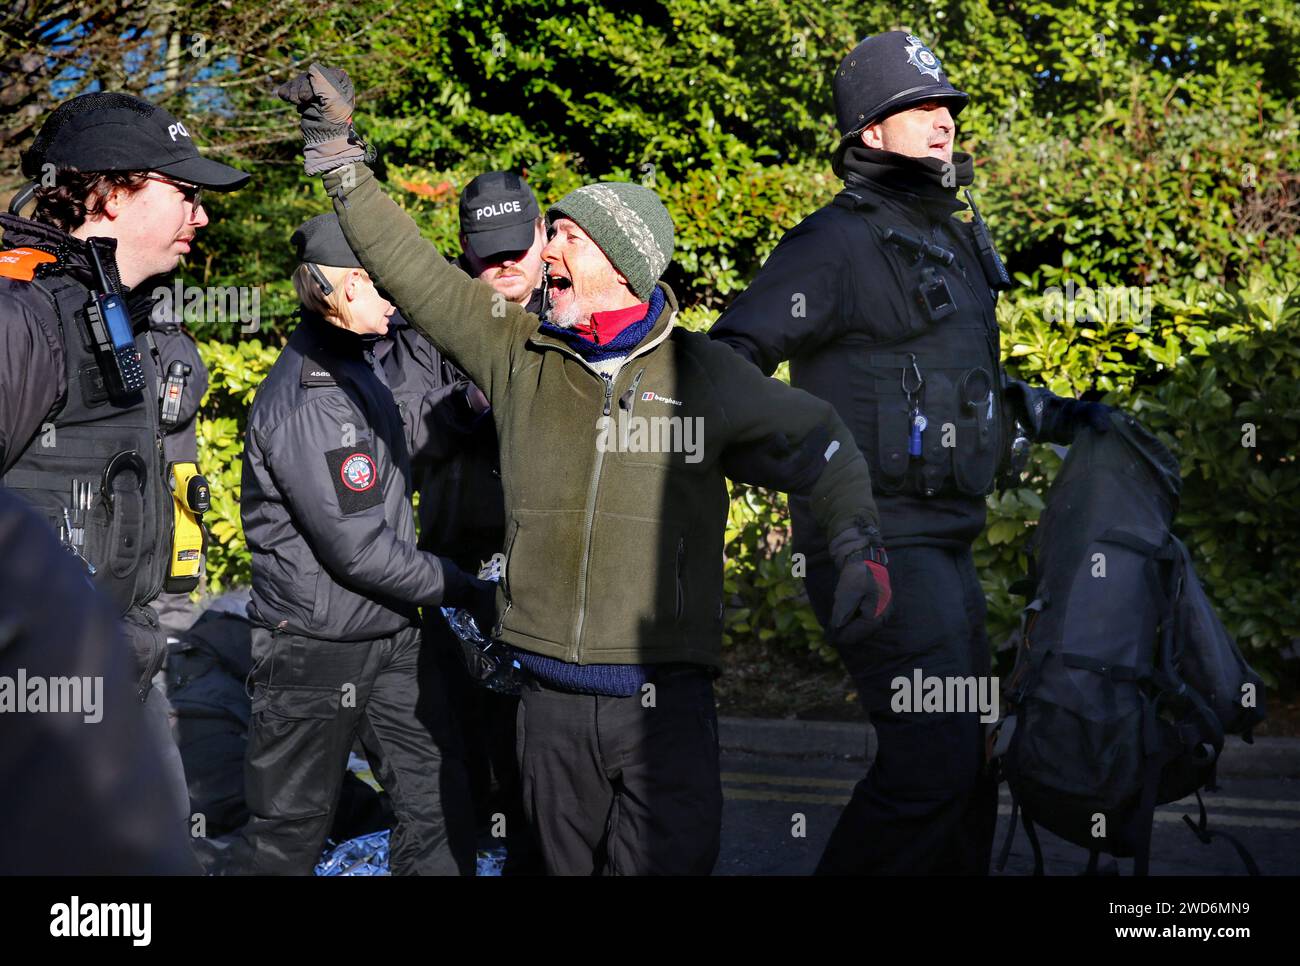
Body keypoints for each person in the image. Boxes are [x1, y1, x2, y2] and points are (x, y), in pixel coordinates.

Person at [279, 65, 893, 875]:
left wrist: (860, 547)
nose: (545, 253)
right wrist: (337, 156)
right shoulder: (514, 351)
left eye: (566, 236)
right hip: (546, 705)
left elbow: (826, 445)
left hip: (663, 705)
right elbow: (409, 267)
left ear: (621, 262)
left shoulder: (702, 374)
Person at [709, 30, 1111, 875]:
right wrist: (816, 467)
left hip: (947, 548)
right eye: (917, 107)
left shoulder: (950, 238)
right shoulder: (836, 244)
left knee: (971, 767)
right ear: (867, 131)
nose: (943, 120)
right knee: (932, 765)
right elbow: (724, 369)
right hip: (879, 549)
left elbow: (957, 388)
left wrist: (1063, 416)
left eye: (947, 106)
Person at [199, 213, 488, 876]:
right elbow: (359, 550)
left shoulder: (353, 365)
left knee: (437, 805)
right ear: (347, 286)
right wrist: (470, 590)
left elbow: (393, 442)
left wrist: (465, 408)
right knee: (288, 836)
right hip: (314, 652)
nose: (398, 300)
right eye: (385, 286)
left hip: (389, 632)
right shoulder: (308, 401)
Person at [0, 91, 249, 830]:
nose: (201, 216)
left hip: (125, 683)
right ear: (108, 193)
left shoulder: (132, 323)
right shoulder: (22, 317)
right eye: (185, 193)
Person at [376, 170, 547, 872]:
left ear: (542, 235)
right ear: (462, 247)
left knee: (547, 770)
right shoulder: (428, 317)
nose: (505, 265)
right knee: (465, 763)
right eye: (488, 252)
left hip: (555, 568)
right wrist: (468, 406)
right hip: (461, 565)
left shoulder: (575, 299)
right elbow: (402, 428)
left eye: (518, 247)